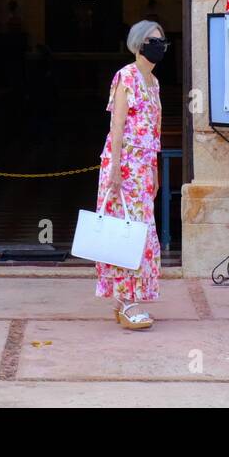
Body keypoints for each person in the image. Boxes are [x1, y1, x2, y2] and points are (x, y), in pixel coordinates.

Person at [96, 20, 166, 330]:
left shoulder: (154, 82)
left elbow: (154, 128)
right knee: (127, 232)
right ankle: (126, 302)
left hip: (144, 166)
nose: (159, 45)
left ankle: (128, 300)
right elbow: (118, 125)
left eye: (162, 41)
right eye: (153, 40)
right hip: (124, 167)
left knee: (142, 230)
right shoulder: (126, 77)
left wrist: (154, 167)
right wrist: (113, 170)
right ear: (139, 44)